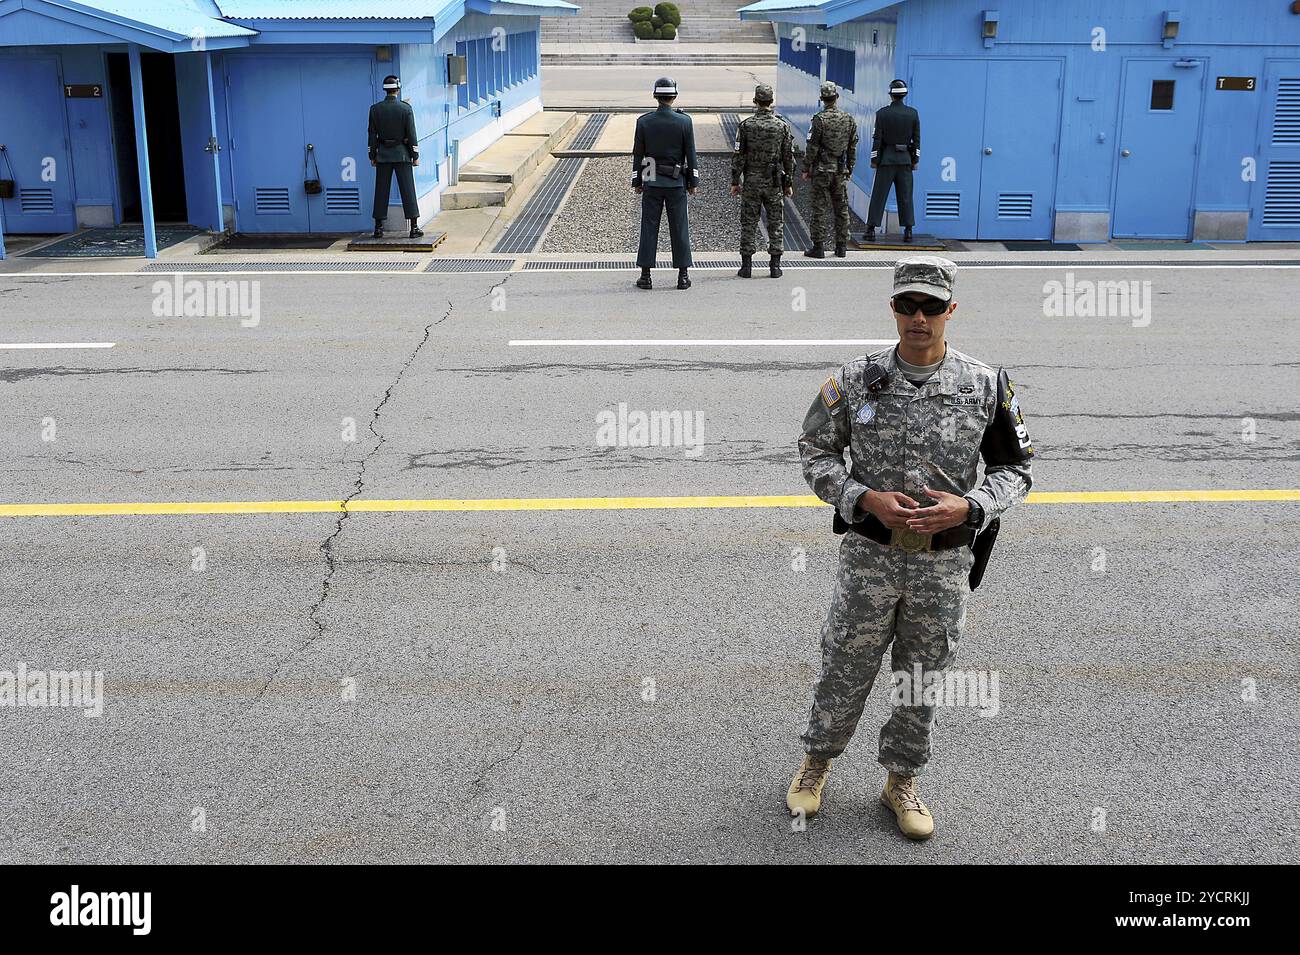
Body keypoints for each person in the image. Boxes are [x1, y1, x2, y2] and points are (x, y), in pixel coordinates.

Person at [787, 255, 1035, 840]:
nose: (917, 317)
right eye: (907, 305)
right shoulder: (855, 380)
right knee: (846, 664)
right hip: (869, 556)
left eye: (930, 306)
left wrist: (970, 507)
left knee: (921, 674)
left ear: (951, 310)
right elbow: (814, 452)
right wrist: (862, 497)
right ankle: (815, 764)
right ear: (893, 309)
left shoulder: (986, 385)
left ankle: (901, 779)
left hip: (943, 562)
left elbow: (1017, 468)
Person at [631, 77, 698, 290]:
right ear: (674, 96)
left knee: (649, 226)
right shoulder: (684, 121)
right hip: (676, 179)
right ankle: (683, 276)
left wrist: (637, 180)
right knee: (679, 227)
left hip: (651, 174)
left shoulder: (644, 121)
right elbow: (691, 154)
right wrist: (693, 181)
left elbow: (638, 154)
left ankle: (646, 275)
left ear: (655, 96)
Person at [731, 83, 794, 279]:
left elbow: (738, 156)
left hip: (752, 180)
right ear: (771, 101)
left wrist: (735, 181)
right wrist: (788, 183)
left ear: (755, 101)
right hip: (774, 181)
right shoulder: (781, 126)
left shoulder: (746, 125)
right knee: (775, 222)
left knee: (749, 222)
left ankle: (746, 266)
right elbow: (788, 157)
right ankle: (775, 266)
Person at [801, 81, 858, 259]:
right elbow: (852, 147)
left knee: (819, 208)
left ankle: (818, 247)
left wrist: (806, 167)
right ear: (837, 97)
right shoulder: (848, 119)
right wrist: (849, 167)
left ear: (822, 99)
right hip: (840, 170)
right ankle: (841, 247)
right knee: (841, 208)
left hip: (822, 170)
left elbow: (812, 147)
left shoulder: (819, 120)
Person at [865, 79, 920, 243]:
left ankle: (871, 229)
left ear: (891, 95)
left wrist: (875, 159)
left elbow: (877, 139)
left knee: (879, 195)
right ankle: (908, 230)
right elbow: (916, 140)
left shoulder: (882, 113)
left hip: (886, 159)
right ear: (904, 95)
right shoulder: (913, 113)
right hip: (905, 160)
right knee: (905, 196)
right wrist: (915, 159)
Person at [368, 74, 422, 239]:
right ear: (398, 89)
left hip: (383, 154)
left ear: (385, 90)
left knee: (381, 190)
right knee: (408, 190)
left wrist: (372, 154)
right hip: (402, 154)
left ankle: (378, 227)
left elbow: (371, 135)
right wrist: (415, 155)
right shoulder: (406, 109)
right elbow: (411, 134)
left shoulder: (375, 109)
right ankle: (413, 227)